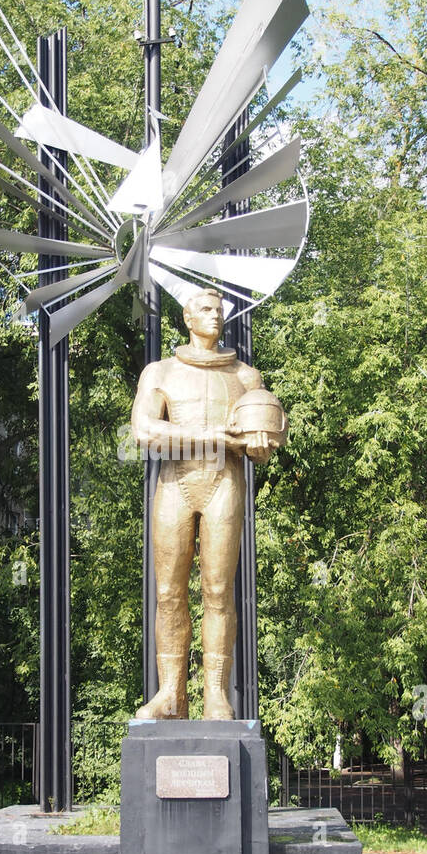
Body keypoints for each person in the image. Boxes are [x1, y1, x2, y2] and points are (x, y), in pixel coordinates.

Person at [130, 289, 286, 719]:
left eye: (220, 310)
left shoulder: (245, 378)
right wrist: (212, 438)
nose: (215, 316)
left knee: (218, 591)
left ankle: (215, 693)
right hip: (176, 484)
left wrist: (262, 442)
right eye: (205, 309)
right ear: (186, 317)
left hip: (223, 485)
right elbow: (144, 431)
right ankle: (170, 695)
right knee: (168, 593)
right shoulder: (160, 372)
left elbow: (262, 443)